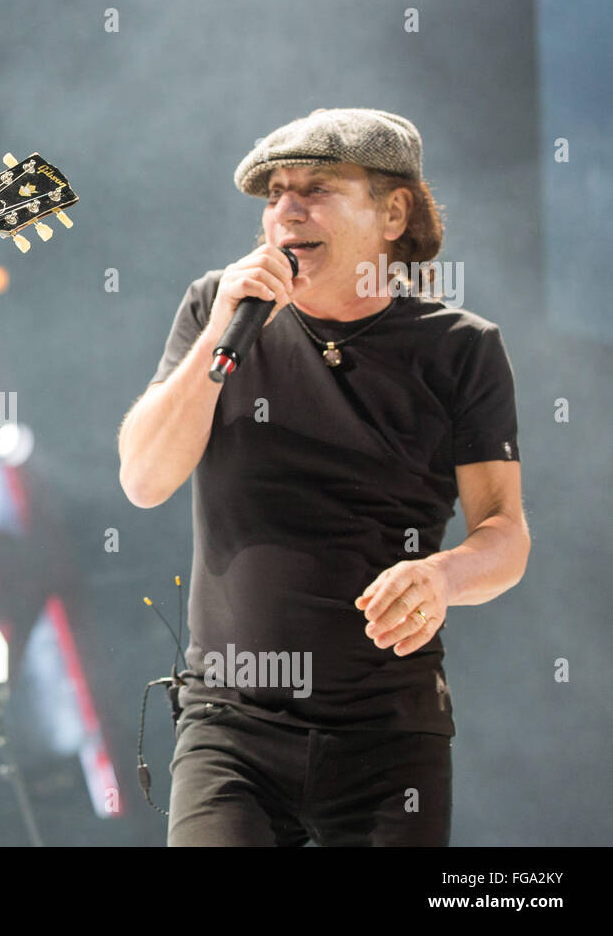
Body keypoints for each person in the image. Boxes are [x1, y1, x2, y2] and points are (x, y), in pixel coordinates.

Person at [118, 108, 530, 846]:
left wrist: (442, 578)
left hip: (386, 738)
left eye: (316, 188)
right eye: (276, 192)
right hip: (230, 726)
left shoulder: (459, 350)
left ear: (393, 210)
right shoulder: (219, 310)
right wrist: (222, 330)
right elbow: (145, 480)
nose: (286, 210)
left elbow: (504, 534)